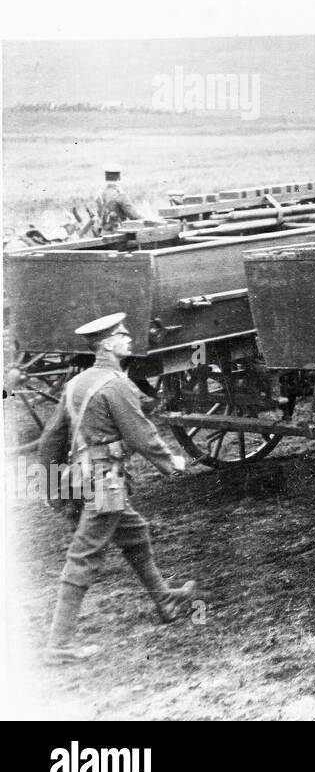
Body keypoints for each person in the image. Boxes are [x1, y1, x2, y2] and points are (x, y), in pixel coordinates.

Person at [37, 313, 197, 663]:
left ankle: (165, 599)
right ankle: (59, 645)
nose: (128, 339)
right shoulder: (117, 384)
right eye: (123, 335)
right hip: (106, 483)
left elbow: (51, 438)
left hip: (84, 479)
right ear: (108, 344)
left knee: (135, 533)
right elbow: (141, 434)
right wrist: (173, 464)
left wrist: (51, 488)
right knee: (83, 557)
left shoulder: (76, 384)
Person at [96, 165, 146, 232]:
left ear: (105, 176)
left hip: (102, 231)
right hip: (117, 231)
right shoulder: (120, 194)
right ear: (119, 177)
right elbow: (134, 216)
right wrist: (146, 219)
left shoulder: (100, 193)